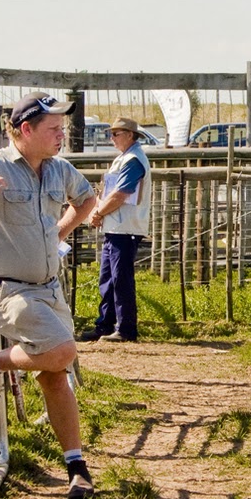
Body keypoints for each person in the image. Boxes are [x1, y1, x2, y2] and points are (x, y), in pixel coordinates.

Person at [0, 92, 98, 499]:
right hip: (6, 288)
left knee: (54, 372)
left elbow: (86, 199)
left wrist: (58, 233)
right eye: (53, 129)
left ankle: (75, 465)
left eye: (62, 129)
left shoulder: (58, 169)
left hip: (48, 286)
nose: (61, 136)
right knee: (63, 352)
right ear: (25, 130)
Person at [80, 116, 150, 343]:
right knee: (109, 278)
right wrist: (99, 210)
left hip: (124, 227)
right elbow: (111, 190)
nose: (111, 138)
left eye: (116, 134)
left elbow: (121, 194)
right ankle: (106, 324)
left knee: (120, 279)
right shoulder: (125, 158)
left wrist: (99, 212)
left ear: (130, 135)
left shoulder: (132, 160)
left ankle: (126, 328)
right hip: (117, 227)